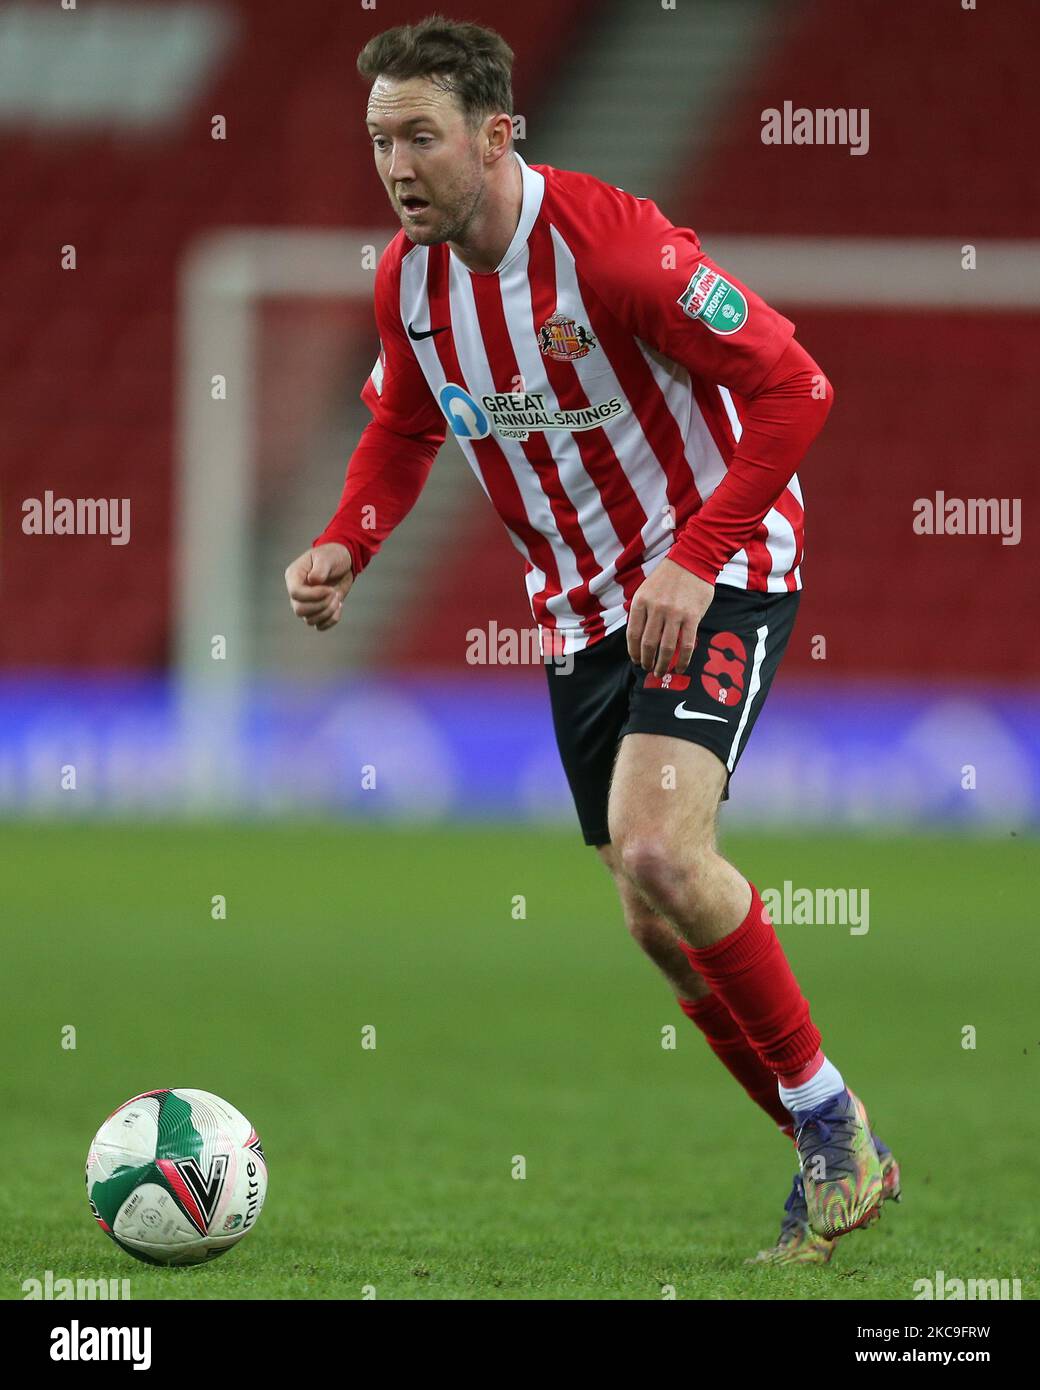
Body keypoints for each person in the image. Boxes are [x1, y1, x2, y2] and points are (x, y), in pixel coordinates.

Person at [284, 15, 900, 1264]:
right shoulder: (408, 283)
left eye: (419, 136)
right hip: (580, 610)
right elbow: (405, 428)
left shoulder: (614, 251)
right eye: (378, 141)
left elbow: (797, 386)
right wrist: (349, 540)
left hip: (715, 566)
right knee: (649, 915)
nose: (395, 165)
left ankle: (832, 1125)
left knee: (658, 848)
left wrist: (696, 552)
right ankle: (822, 1140)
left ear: (497, 133)